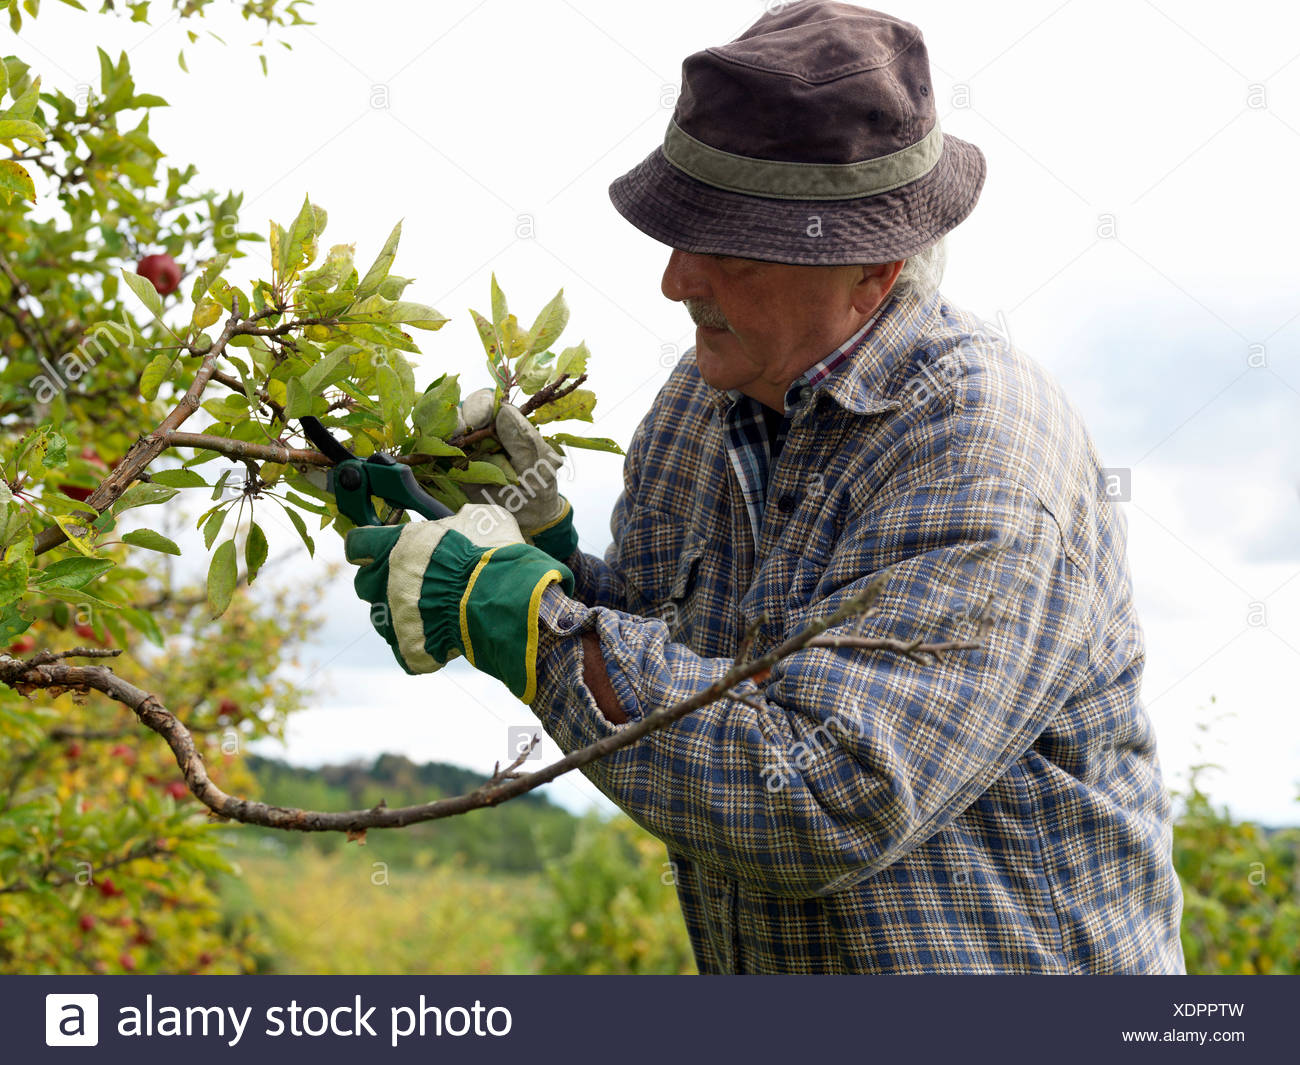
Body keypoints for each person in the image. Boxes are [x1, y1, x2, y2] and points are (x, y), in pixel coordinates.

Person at [345, 1, 1186, 974]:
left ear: (872, 270)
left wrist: (526, 625)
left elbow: (827, 799)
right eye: (677, 232)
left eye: (729, 250)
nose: (672, 280)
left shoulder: (980, 447)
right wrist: (535, 551)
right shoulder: (702, 402)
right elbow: (676, 670)